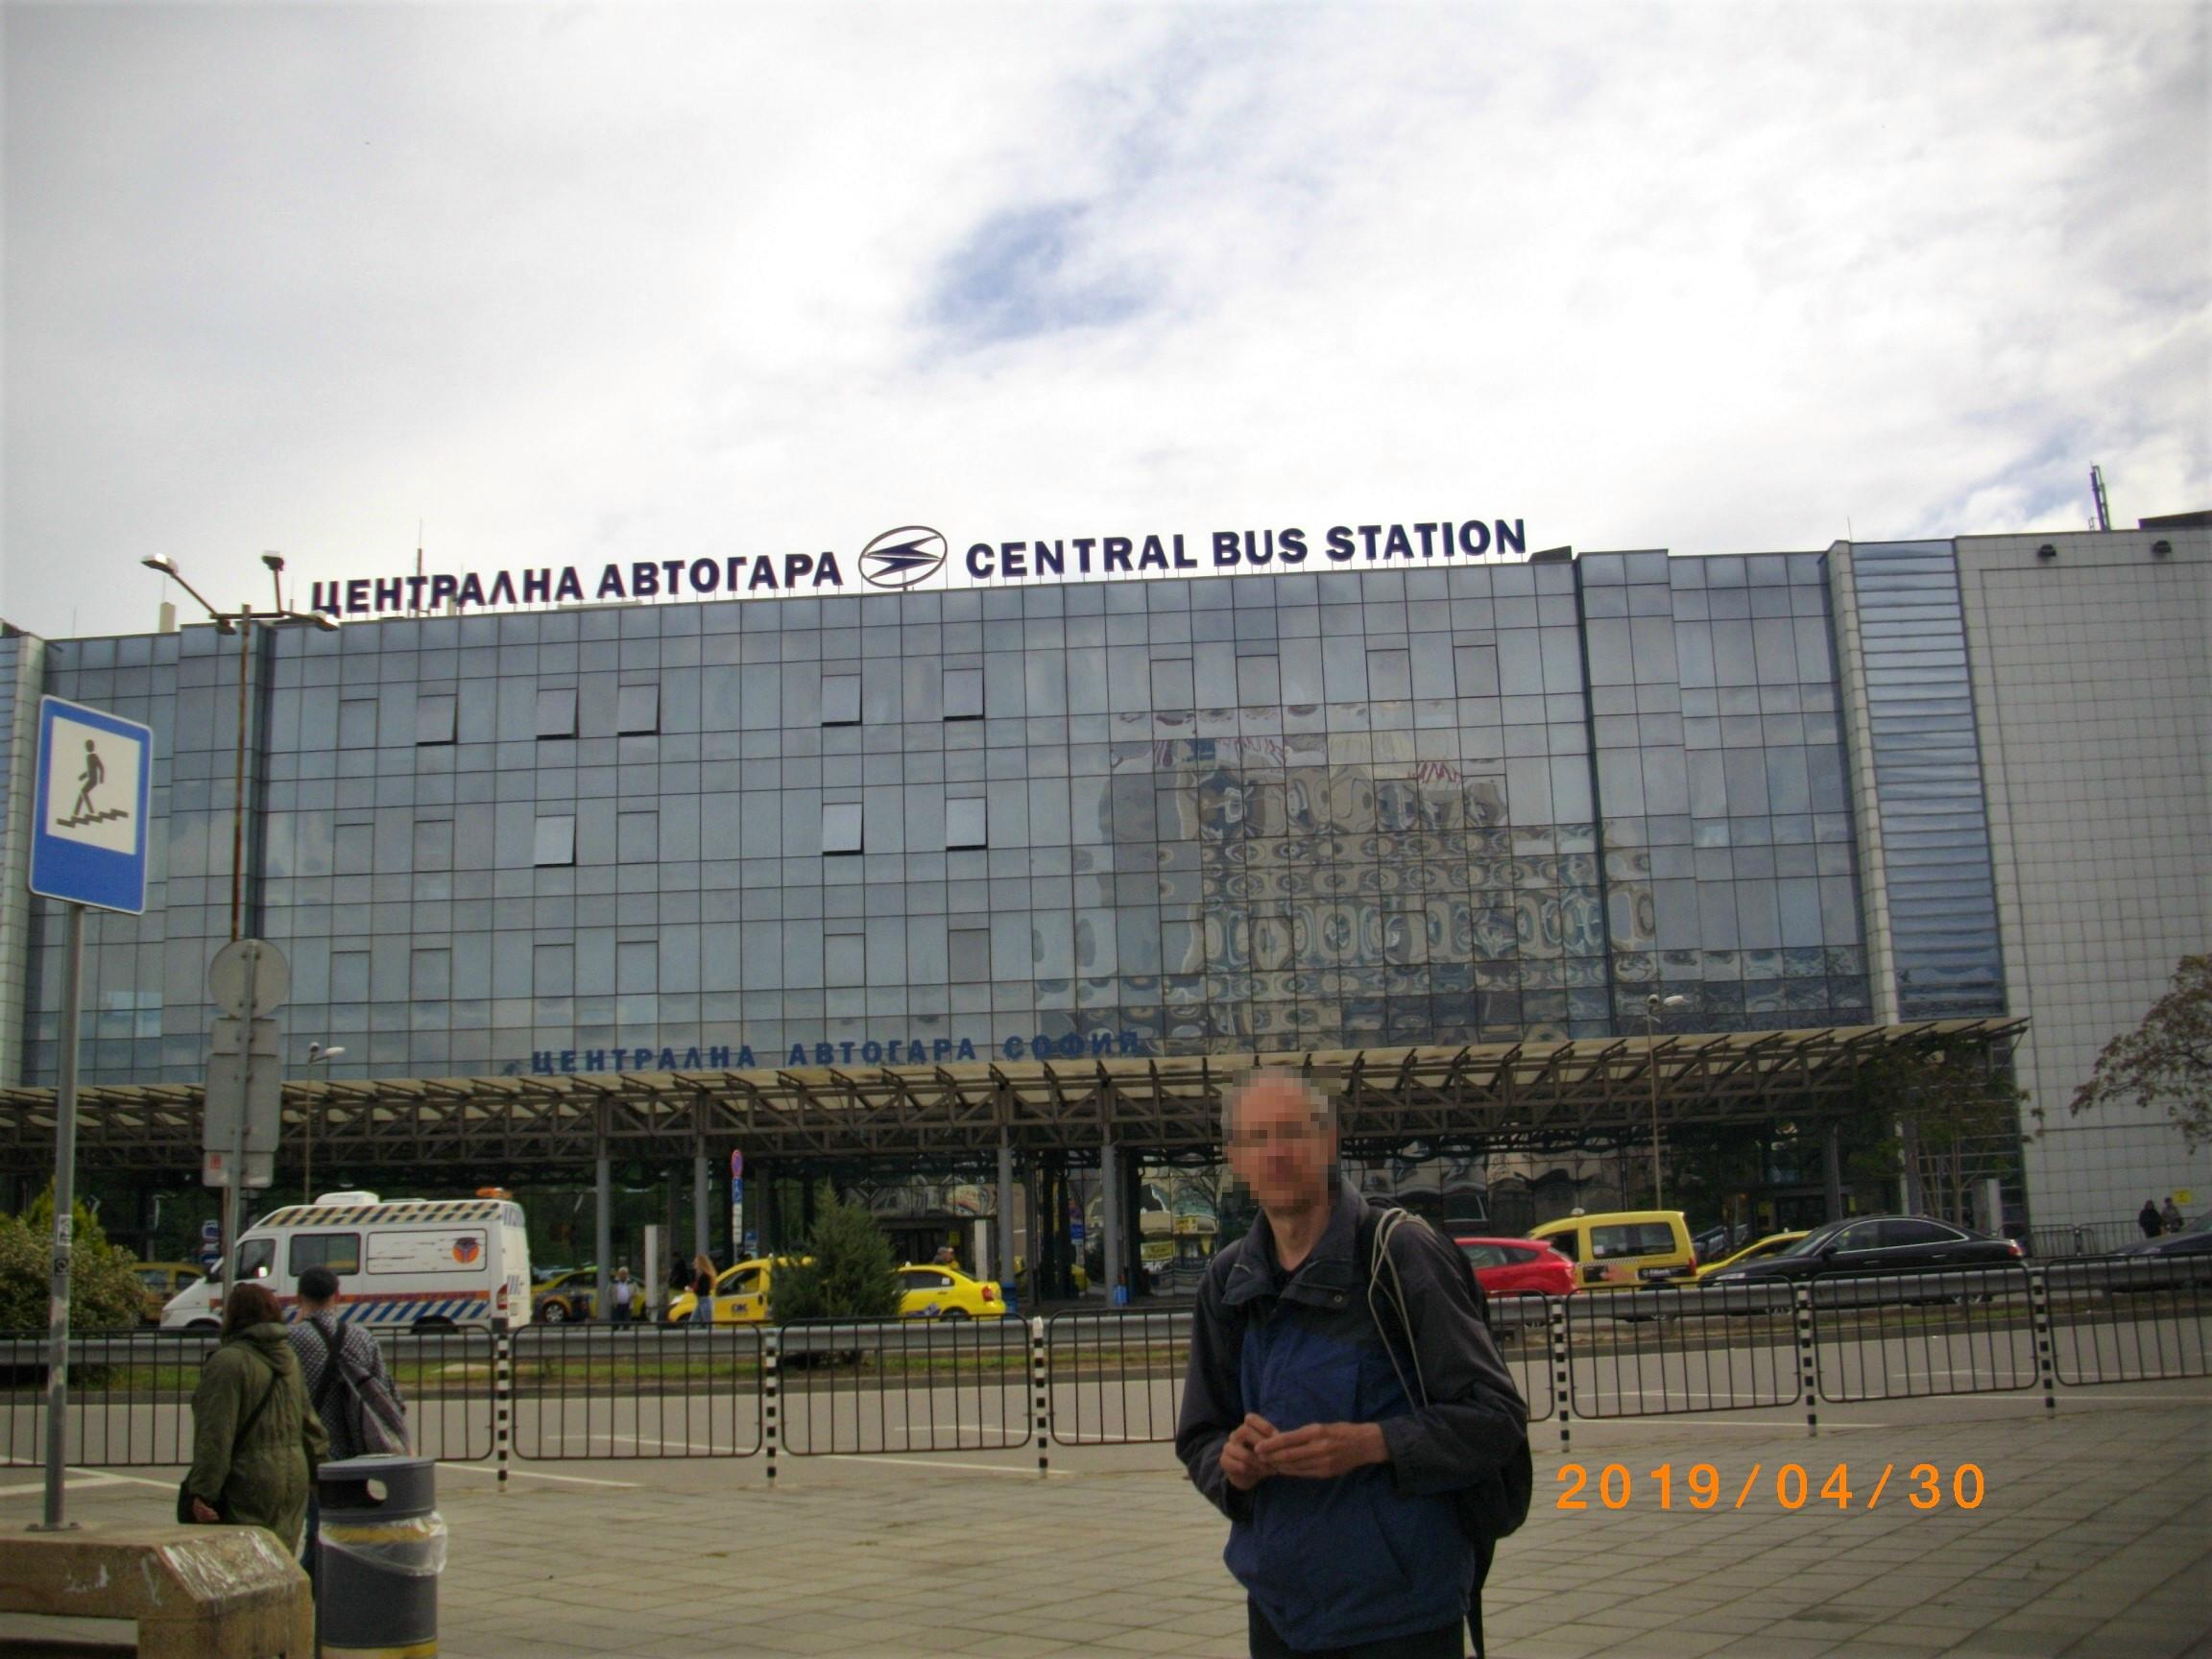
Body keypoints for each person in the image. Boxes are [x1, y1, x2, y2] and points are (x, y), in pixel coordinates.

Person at [1178, 1072, 1527, 1658]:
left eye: (1294, 1133)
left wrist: (1373, 1443)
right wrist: (1230, 1465)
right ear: (1235, 1158)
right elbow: (1201, 1433)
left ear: (1329, 1141)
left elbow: (1494, 1417)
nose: (1278, 1154)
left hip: (1401, 1610)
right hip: (1279, 1608)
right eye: (1258, 1138)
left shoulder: (1400, 1253)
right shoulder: (1230, 1279)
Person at [285, 1266, 405, 1583]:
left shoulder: (291, 1339)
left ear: (299, 1297)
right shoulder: (361, 1336)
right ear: (337, 1296)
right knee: (346, 1527)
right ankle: (346, 1586)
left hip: (311, 1452)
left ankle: (309, 1592)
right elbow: (388, 1393)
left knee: (316, 1526)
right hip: (356, 1450)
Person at [185, 1282, 327, 1551]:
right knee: (281, 1557)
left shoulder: (228, 1362)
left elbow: (216, 1435)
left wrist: (203, 1492)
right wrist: (320, 1471)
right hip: (293, 1475)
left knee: (243, 1560)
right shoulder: (289, 1359)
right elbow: (309, 1422)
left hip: (249, 1478)